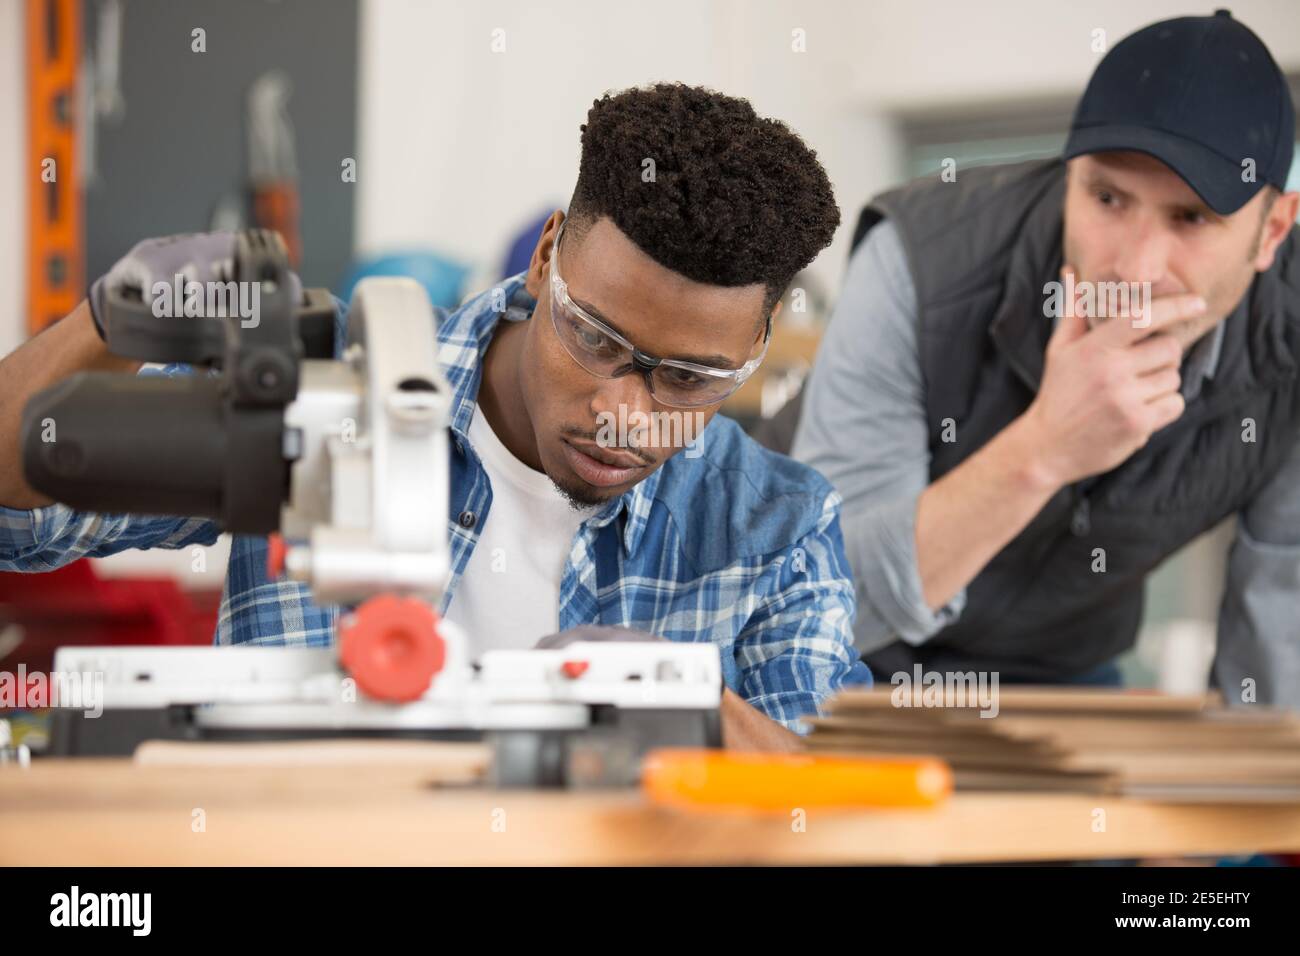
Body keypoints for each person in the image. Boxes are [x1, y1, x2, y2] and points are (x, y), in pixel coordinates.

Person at [0, 83, 870, 747]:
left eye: (689, 379)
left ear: (756, 347)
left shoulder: (775, 525)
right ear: (545, 259)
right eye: (597, 339)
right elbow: (16, 516)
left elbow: (834, 804)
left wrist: (681, 703)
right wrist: (112, 318)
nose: (625, 414)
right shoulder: (320, 375)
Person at [788, 11, 1300, 704]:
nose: (1136, 270)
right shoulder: (920, 257)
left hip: (1062, 679)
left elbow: (1278, 646)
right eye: (1108, 197)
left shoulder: (1289, 340)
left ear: (1272, 231)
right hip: (841, 667)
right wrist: (1047, 448)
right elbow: (822, 606)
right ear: (1069, 176)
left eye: (1192, 218)